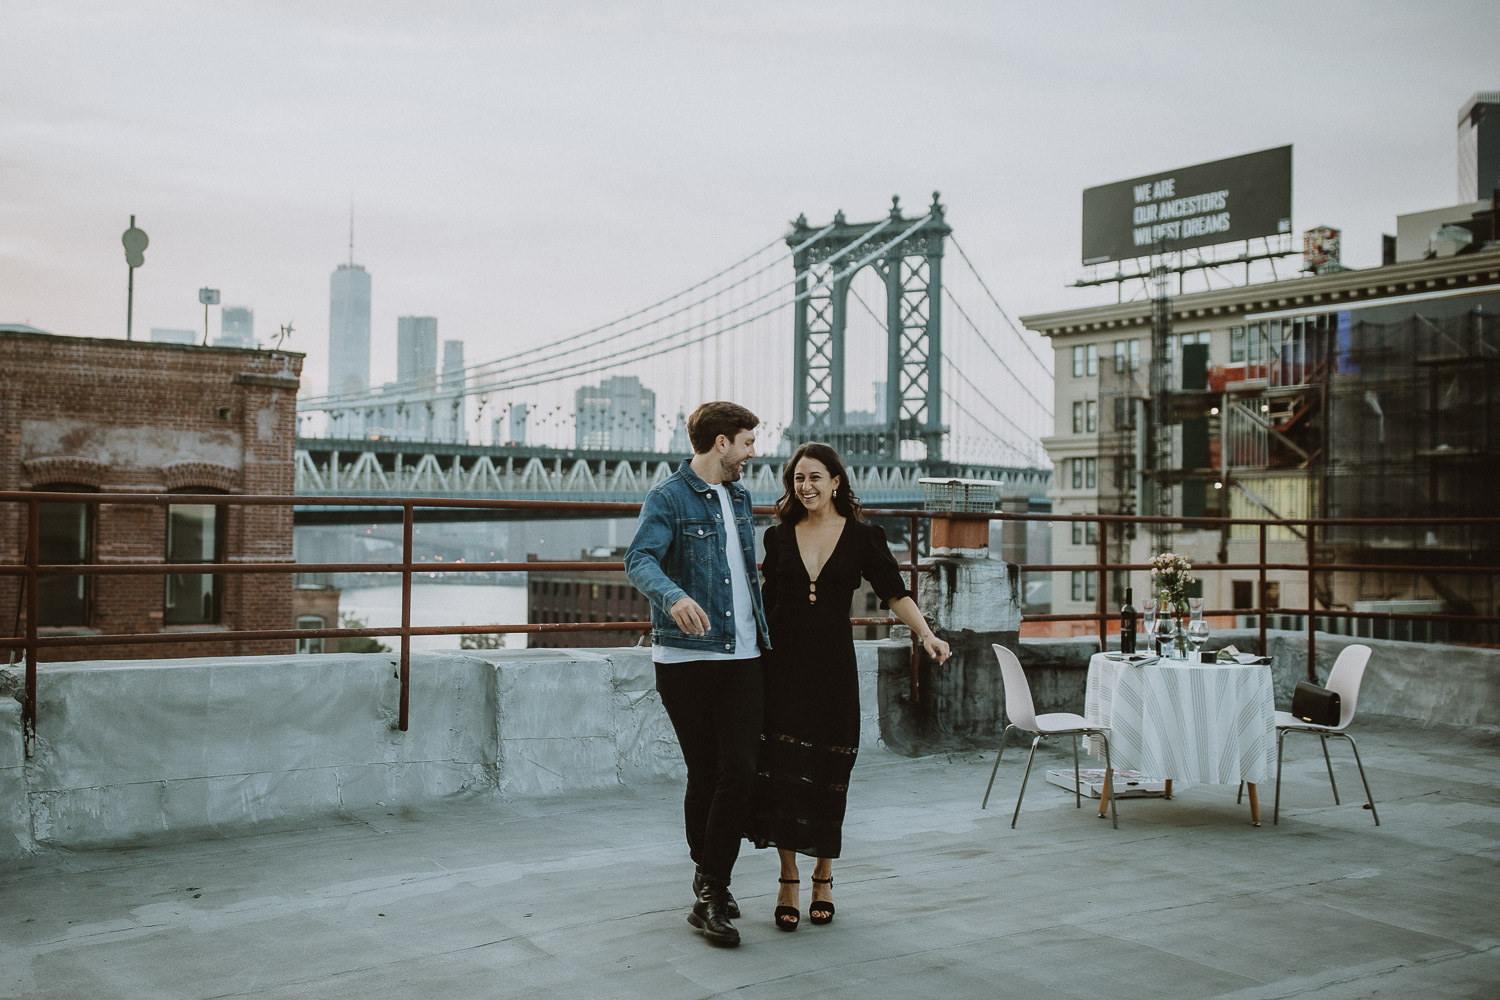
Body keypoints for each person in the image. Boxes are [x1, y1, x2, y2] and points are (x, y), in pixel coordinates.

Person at [747, 442, 950, 931]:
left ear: (836, 481)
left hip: (833, 670)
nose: (806, 486)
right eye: (798, 478)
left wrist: (925, 633)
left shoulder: (863, 536)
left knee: (828, 770)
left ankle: (824, 875)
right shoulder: (778, 537)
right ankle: (788, 879)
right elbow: (765, 607)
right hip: (783, 670)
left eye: (816, 477)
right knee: (784, 772)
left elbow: (894, 592)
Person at [624, 400, 770, 948]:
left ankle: (710, 883)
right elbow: (639, 559)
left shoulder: (740, 497)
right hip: (685, 657)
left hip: (744, 654)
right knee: (706, 772)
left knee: (740, 768)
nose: (753, 453)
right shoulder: (667, 497)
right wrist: (675, 595)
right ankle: (713, 887)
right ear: (721, 443)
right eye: (748, 443)